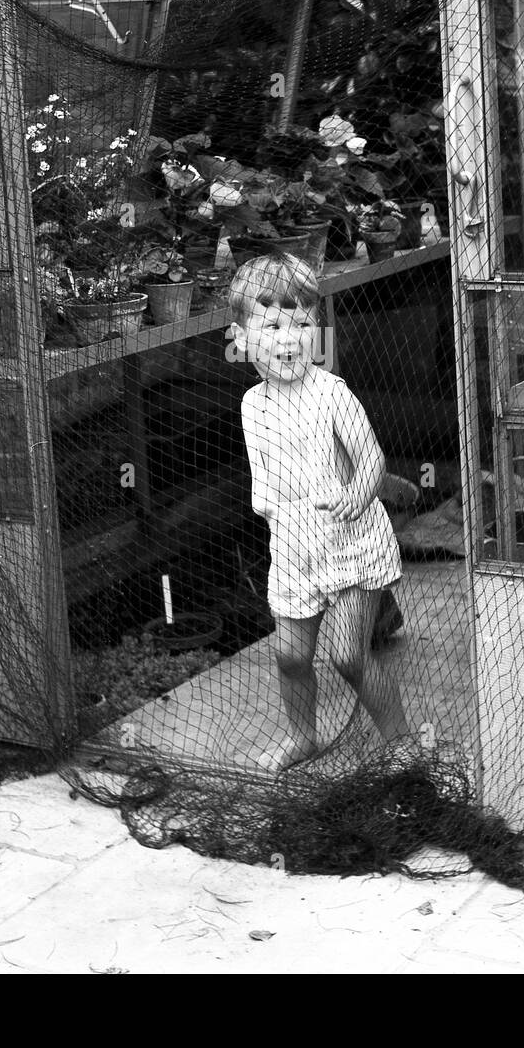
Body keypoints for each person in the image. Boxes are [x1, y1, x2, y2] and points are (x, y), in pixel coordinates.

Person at [228, 253, 410, 771]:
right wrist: (267, 505)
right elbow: (264, 475)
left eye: (303, 325)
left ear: (319, 333)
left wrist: (358, 493)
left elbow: (371, 455)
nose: (289, 339)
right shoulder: (251, 406)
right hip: (294, 547)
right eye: (272, 327)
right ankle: (303, 736)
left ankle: (401, 741)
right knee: (290, 655)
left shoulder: (333, 394)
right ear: (240, 339)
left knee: (348, 655)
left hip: (350, 541)